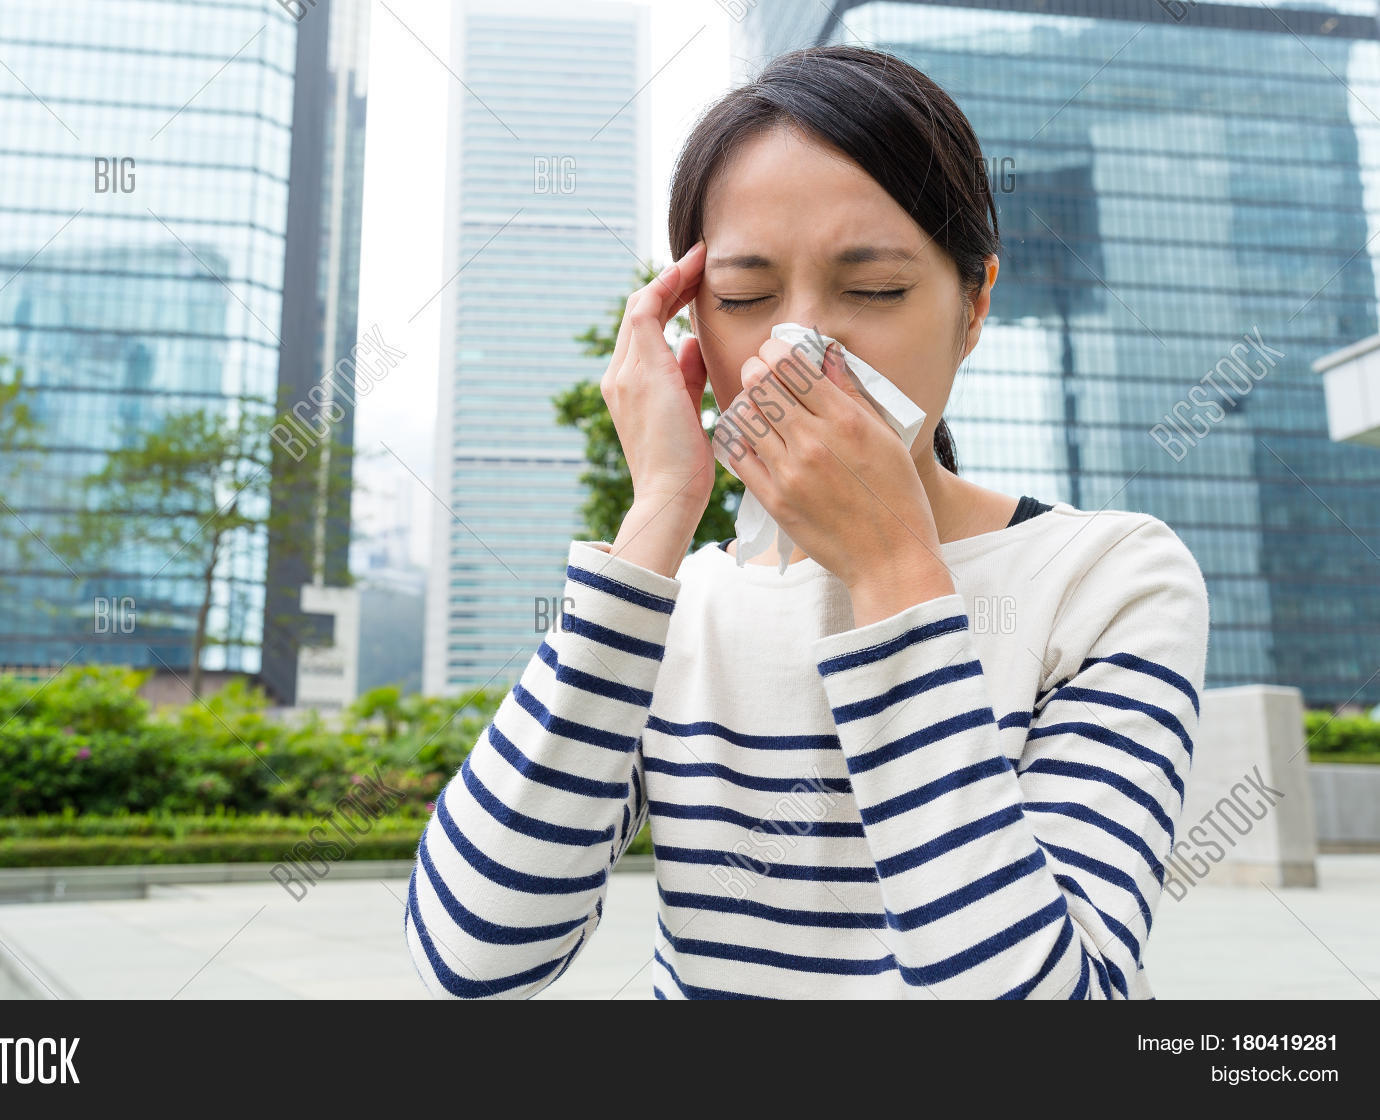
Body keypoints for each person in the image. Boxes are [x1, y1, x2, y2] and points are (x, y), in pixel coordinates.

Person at [404, 44, 1209, 999]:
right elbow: (470, 958)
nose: (802, 345)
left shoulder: (1107, 577)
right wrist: (660, 514)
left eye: (874, 290)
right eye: (743, 298)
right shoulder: (672, 605)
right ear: (688, 329)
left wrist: (891, 569)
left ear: (975, 304)